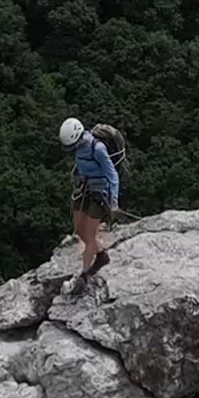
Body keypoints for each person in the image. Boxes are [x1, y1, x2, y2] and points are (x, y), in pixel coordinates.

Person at [63, 116, 120, 279]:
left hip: (101, 194)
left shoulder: (98, 149)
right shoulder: (79, 148)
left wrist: (113, 202)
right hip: (86, 190)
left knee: (90, 235)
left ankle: (85, 274)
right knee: (80, 230)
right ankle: (101, 255)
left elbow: (112, 175)